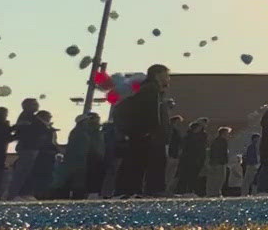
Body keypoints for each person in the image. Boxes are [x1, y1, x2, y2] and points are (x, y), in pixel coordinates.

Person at [111, 66, 170, 197]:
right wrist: (154, 130)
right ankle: (149, 190)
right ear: (157, 75)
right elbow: (151, 112)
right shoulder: (151, 90)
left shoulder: (147, 89)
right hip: (147, 134)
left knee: (136, 161)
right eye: (166, 75)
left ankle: (130, 190)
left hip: (141, 133)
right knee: (149, 162)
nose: (168, 78)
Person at [56, 113, 102, 198]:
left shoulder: (81, 132)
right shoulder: (80, 133)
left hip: (80, 160)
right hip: (79, 161)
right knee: (77, 181)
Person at [175, 117, 208, 196]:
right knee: (186, 175)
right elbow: (187, 148)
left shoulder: (201, 136)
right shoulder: (189, 137)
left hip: (196, 159)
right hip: (189, 159)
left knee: (194, 176)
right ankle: (182, 191)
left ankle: (189, 190)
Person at [206, 125, 231, 197]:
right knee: (220, 179)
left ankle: (211, 192)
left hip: (214, 162)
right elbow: (222, 153)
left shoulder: (215, 141)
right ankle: (216, 192)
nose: (228, 135)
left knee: (213, 179)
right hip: (220, 162)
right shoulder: (223, 141)